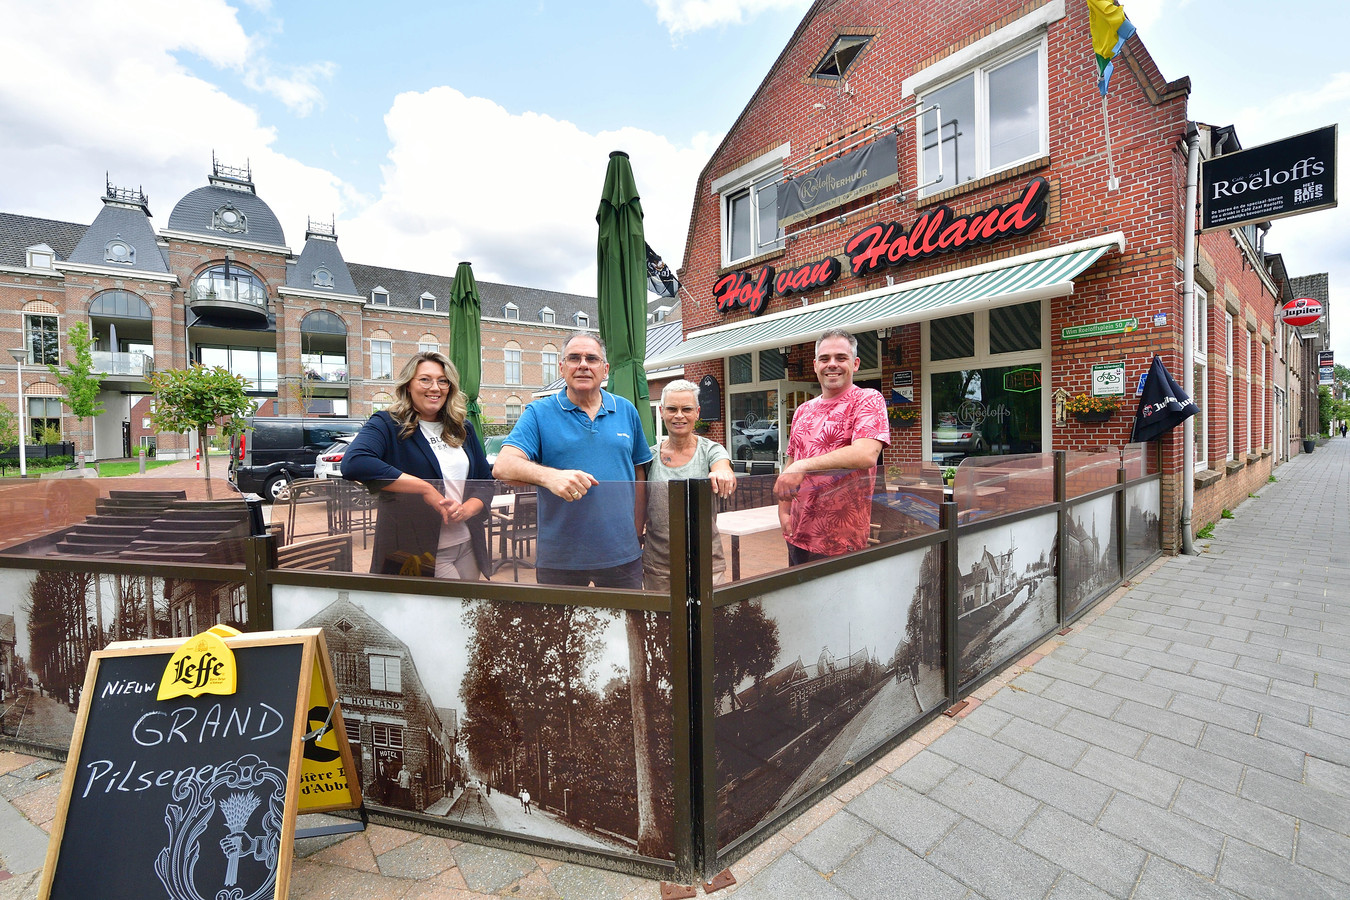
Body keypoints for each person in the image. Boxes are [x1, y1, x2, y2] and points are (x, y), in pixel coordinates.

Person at [493, 334, 653, 588]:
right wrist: (550, 476)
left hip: (621, 553)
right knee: (559, 629)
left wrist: (636, 530)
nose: (583, 365)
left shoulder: (626, 410)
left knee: (625, 627)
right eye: (574, 358)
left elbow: (638, 472)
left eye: (591, 358)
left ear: (605, 369)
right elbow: (503, 466)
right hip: (561, 557)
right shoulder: (538, 413)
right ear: (561, 367)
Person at [342, 351, 494, 578]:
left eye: (443, 381)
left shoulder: (463, 428)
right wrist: (424, 488)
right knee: (443, 611)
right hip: (416, 550)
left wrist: (465, 510)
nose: (435, 387)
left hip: (467, 544)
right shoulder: (387, 424)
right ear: (408, 385)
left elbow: (485, 482)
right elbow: (355, 463)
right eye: (425, 379)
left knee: (467, 611)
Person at [774, 329, 890, 565]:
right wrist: (784, 511)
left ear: (855, 364)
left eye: (841, 358)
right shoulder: (803, 410)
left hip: (840, 539)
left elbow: (866, 454)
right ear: (815, 365)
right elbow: (791, 462)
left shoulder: (868, 399)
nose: (832, 365)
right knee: (800, 600)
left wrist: (803, 465)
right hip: (797, 532)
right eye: (825, 359)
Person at [643, 379, 736, 591]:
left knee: (710, 622)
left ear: (697, 412)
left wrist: (722, 472)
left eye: (686, 409)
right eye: (672, 409)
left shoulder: (711, 450)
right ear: (662, 411)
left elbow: (722, 465)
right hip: (659, 564)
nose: (679, 415)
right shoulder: (649, 456)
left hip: (705, 560)